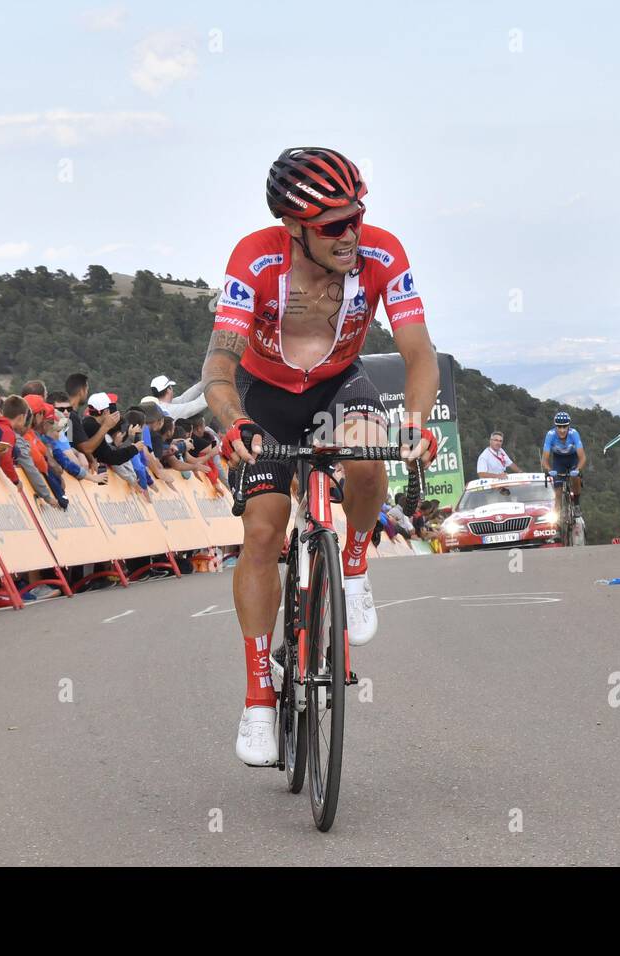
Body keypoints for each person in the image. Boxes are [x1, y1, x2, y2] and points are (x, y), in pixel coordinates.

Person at [202, 146, 438, 767]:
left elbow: (418, 353)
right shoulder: (254, 260)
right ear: (293, 227)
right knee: (261, 532)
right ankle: (258, 695)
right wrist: (234, 424)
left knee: (365, 458)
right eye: (334, 225)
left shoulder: (382, 253)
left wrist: (414, 419)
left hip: (339, 385)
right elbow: (218, 369)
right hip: (266, 396)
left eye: (356, 217)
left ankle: (354, 565)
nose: (351, 234)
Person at [540, 411, 585, 501]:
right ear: (555, 426)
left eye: (565, 426)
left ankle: (576, 503)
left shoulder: (574, 434)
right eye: (559, 427)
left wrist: (577, 470)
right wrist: (549, 470)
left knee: (575, 478)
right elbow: (544, 459)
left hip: (573, 458)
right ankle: (558, 513)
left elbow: (582, 458)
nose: (562, 430)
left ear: (569, 426)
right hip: (558, 460)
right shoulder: (550, 435)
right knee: (558, 494)